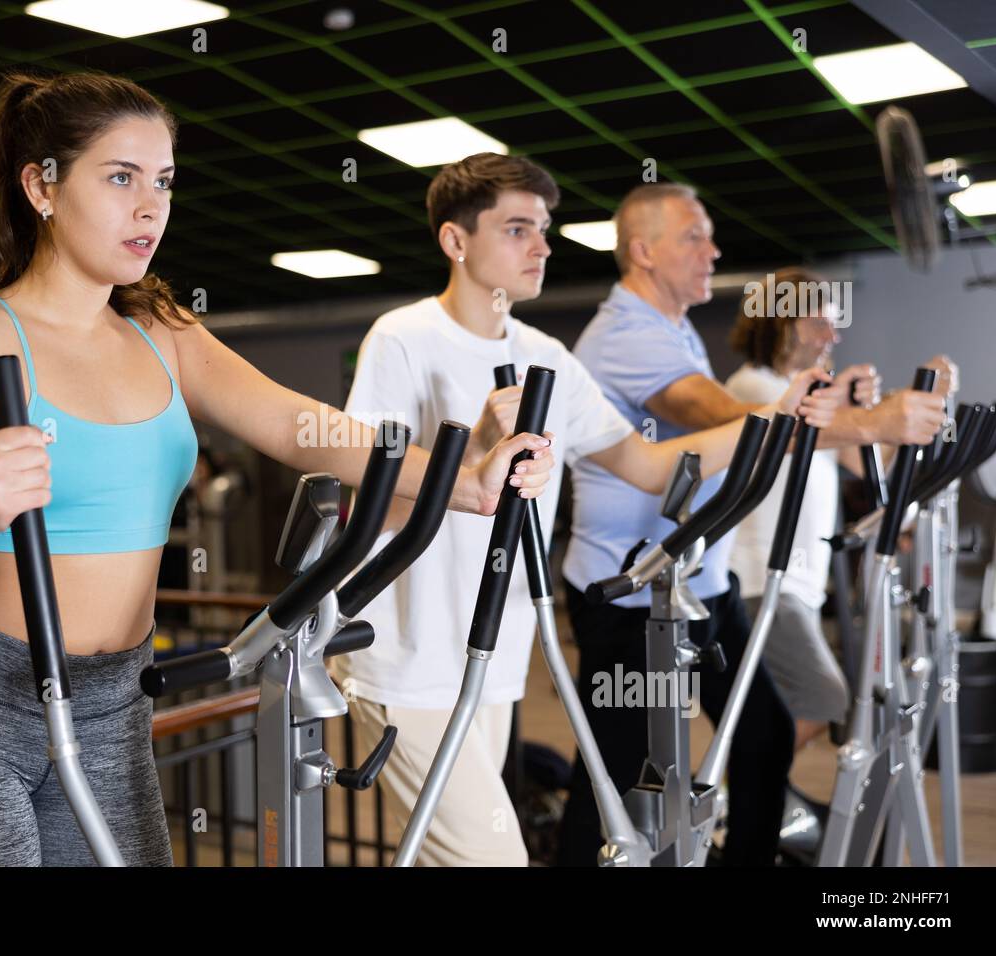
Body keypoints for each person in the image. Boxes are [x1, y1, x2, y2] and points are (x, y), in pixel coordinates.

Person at [0, 71, 559, 866]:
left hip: (111, 698)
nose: (150, 206)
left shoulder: (162, 330)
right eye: (120, 178)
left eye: (162, 181)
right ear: (41, 187)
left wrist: (463, 479)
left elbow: (305, 429)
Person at [334, 154, 836, 866]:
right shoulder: (403, 339)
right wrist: (473, 453)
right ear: (455, 241)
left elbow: (646, 463)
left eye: (544, 228)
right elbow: (370, 510)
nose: (541, 246)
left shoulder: (548, 356)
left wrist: (773, 420)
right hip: (409, 656)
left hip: (493, 652)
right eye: (516, 229)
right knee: (491, 858)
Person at [556, 184, 948, 866]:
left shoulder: (671, 327)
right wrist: (877, 420)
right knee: (613, 783)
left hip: (700, 581)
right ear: (644, 252)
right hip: (626, 594)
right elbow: (719, 418)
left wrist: (866, 422)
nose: (713, 252)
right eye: (694, 238)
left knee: (763, 733)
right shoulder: (625, 333)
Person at [725, 267, 959, 750]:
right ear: (780, 323)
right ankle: (742, 800)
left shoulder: (809, 397)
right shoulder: (754, 387)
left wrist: (912, 410)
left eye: (834, 324)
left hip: (800, 583)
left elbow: (867, 458)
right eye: (818, 324)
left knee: (782, 705)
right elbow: (826, 428)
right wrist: (871, 412)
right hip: (760, 579)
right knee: (824, 698)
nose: (831, 336)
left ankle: (757, 801)